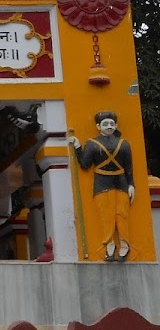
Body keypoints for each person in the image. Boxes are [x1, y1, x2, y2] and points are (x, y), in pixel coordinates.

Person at [69, 110, 135, 262]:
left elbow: (129, 167)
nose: (109, 126)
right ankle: (110, 245)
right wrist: (78, 147)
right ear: (98, 126)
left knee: (122, 214)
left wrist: (131, 185)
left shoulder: (124, 145)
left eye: (112, 124)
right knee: (106, 215)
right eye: (105, 124)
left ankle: (125, 244)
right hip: (101, 182)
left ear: (116, 125)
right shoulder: (92, 144)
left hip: (121, 181)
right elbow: (85, 165)